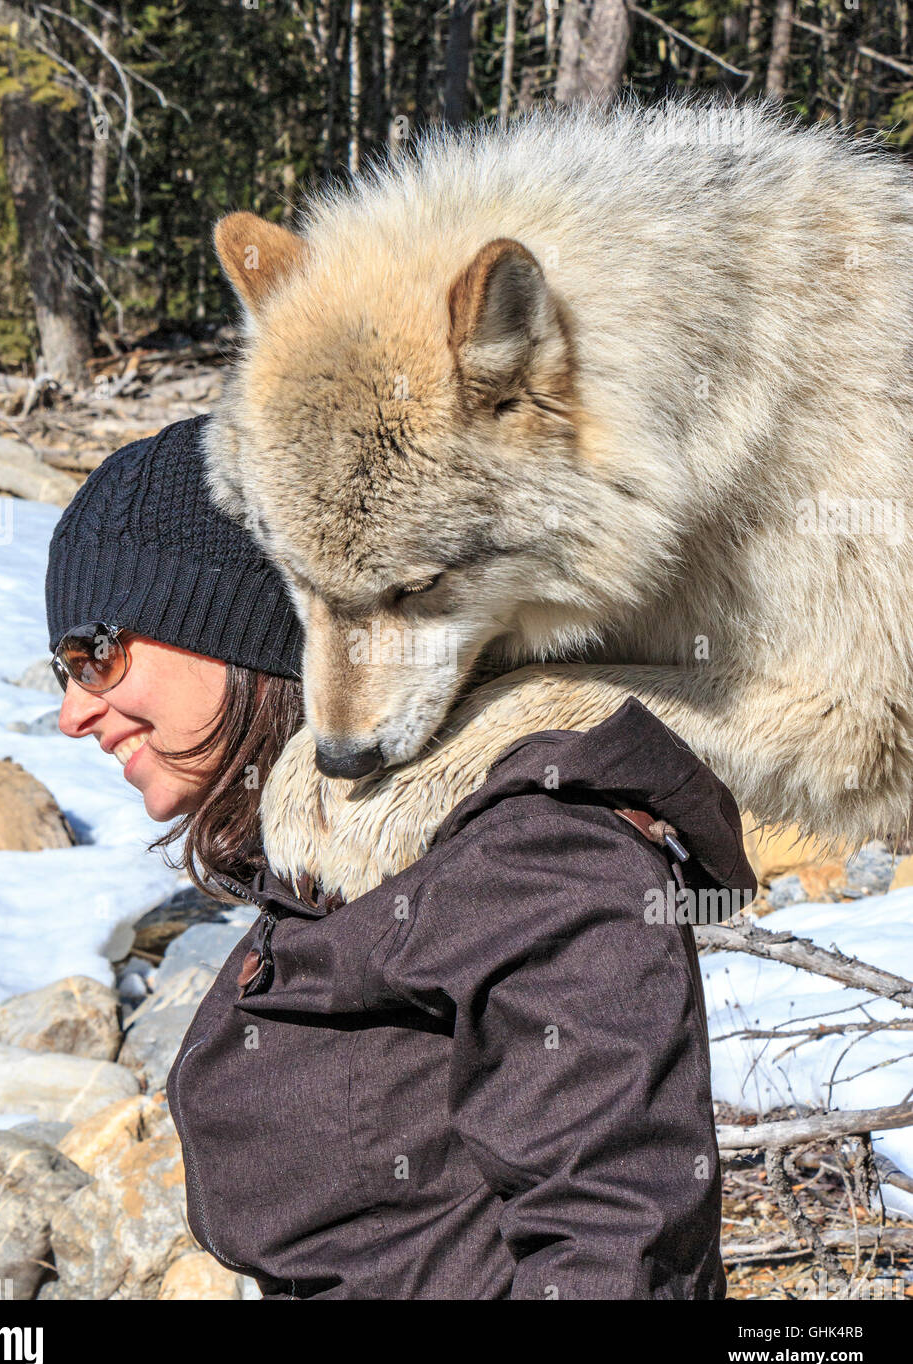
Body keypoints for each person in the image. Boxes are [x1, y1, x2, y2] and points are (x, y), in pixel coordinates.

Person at [46, 414, 757, 1300]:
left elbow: (619, 1244)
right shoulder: (334, 868)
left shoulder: (530, 844)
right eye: (60, 671)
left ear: (237, 615)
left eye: (94, 654)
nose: (73, 711)